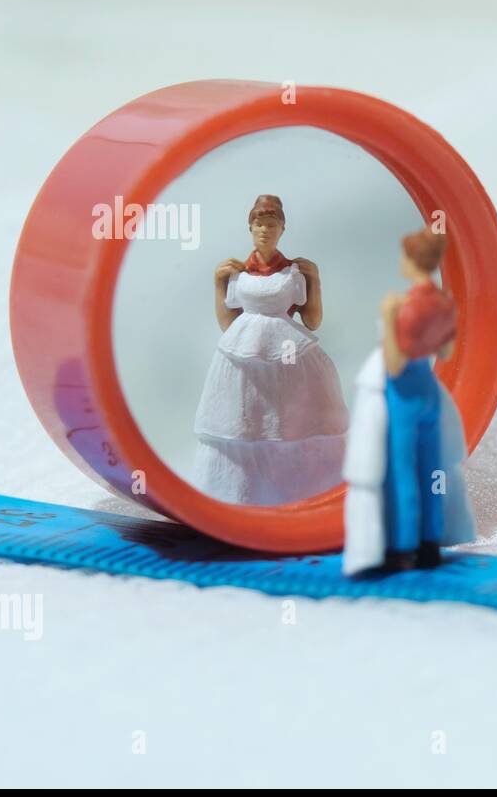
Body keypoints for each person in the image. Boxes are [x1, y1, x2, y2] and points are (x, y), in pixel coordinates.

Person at [190, 195, 348, 505]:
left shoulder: (293, 273)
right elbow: (226, 324)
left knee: (289, 421)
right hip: (242, 354)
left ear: (282, 230)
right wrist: (218, 284)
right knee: (245, 422)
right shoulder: (238, 273)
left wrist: (315, 280)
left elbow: (313, 320)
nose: (265, 231)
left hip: (289, 352)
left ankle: (301, 493)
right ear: (250, 228)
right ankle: (240, 496)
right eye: (259, 224)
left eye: (272, 225)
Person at [342, 227, 474, 573]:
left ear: (413, 261)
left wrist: (388, 317)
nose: (401, 263)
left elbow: (395, 363)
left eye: (404, 257)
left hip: (402, 393)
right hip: (428, 390)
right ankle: (430, 543)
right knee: (432, 470)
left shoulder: (406, 308)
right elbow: (444, 351)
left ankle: (402, 548)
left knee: (402, 472)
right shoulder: (444, 303)